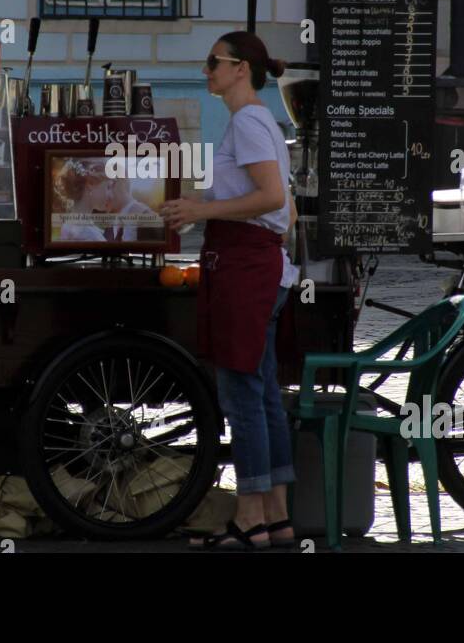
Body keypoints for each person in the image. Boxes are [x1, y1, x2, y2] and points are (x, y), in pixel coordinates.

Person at [160, 31, 300, 550]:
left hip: (249, 270)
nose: (206, 71)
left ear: (240, 69)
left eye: (213, 62)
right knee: (261, 393)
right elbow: (279, 208)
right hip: (256, 266)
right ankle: (277, 515)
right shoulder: (255, 122)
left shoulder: (248, 123)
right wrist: (200, 203)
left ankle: (250, 520)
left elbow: (270, 198)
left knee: (243, 395)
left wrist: (201, 210)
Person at [52, 158, 109, 242]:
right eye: (108, 187)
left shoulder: (71, 224)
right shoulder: (88, 235)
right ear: (90, 183)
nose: (110, 194)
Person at [102, 177, 163, 242]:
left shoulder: (148, 219)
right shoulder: (110, 225)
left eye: (108, 187)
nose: (103, 195)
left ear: (121, 184)